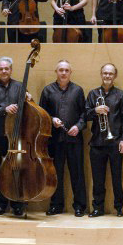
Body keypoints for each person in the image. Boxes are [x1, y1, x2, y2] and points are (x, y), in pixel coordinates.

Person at [40, 60, 88, 217]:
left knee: (77, 173)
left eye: (66, 70)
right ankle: (56, 205)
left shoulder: (78, 90)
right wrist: (52, 118)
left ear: (70, 72)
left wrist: (78, 126)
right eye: (60, 70)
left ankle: (80, 206)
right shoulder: (47, 90)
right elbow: (42, 114)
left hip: (74, 140)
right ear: (56, 72)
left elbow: (84, 114)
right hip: (54, 140)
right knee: (56, 174)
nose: (63, 73)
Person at [84, 63, 123, 217]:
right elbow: (85, 115)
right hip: (97, 142)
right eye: (105, 73)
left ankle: (119, 207)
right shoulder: (93, 94)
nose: (107, 76)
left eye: (110, 73)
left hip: (115, 143)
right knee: (98, 179)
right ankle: (98, 208)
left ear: (115, 76)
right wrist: (95, 110)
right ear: (101, 74)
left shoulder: (121, 95)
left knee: (117, 177)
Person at [0, 56, 25, 216]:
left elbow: (27, 108)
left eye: (6, 68)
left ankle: (17, 205)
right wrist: (4, 110)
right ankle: (1, 204)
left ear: (11, 70)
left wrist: (28, 99)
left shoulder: (20, 86)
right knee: (0, 171)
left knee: (17, 169)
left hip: (16, 136)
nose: (4, 71)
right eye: (1, 69)